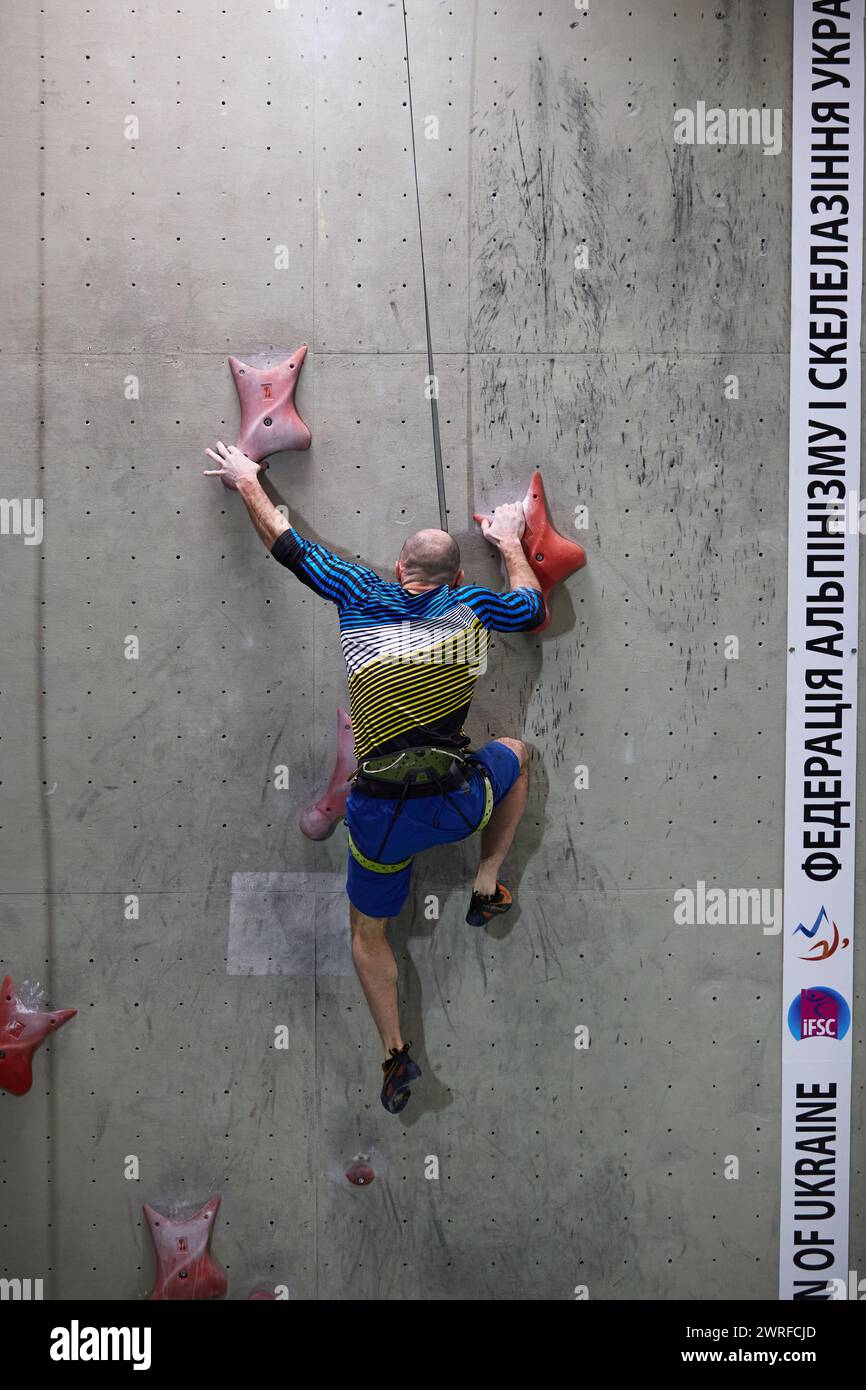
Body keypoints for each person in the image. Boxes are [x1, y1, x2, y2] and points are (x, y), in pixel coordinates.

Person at [205, 441, 544, 1113]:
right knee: (517, 753)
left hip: (381, 816)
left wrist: (248, 481)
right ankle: (486, 879)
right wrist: (508, 541)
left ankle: (395, 1054)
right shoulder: (473, 606)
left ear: (398, 568)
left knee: (369, 937)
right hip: (457, 800)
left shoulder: (357, 591)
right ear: (450, 580)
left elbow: (285, 542)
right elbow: (531, 608)